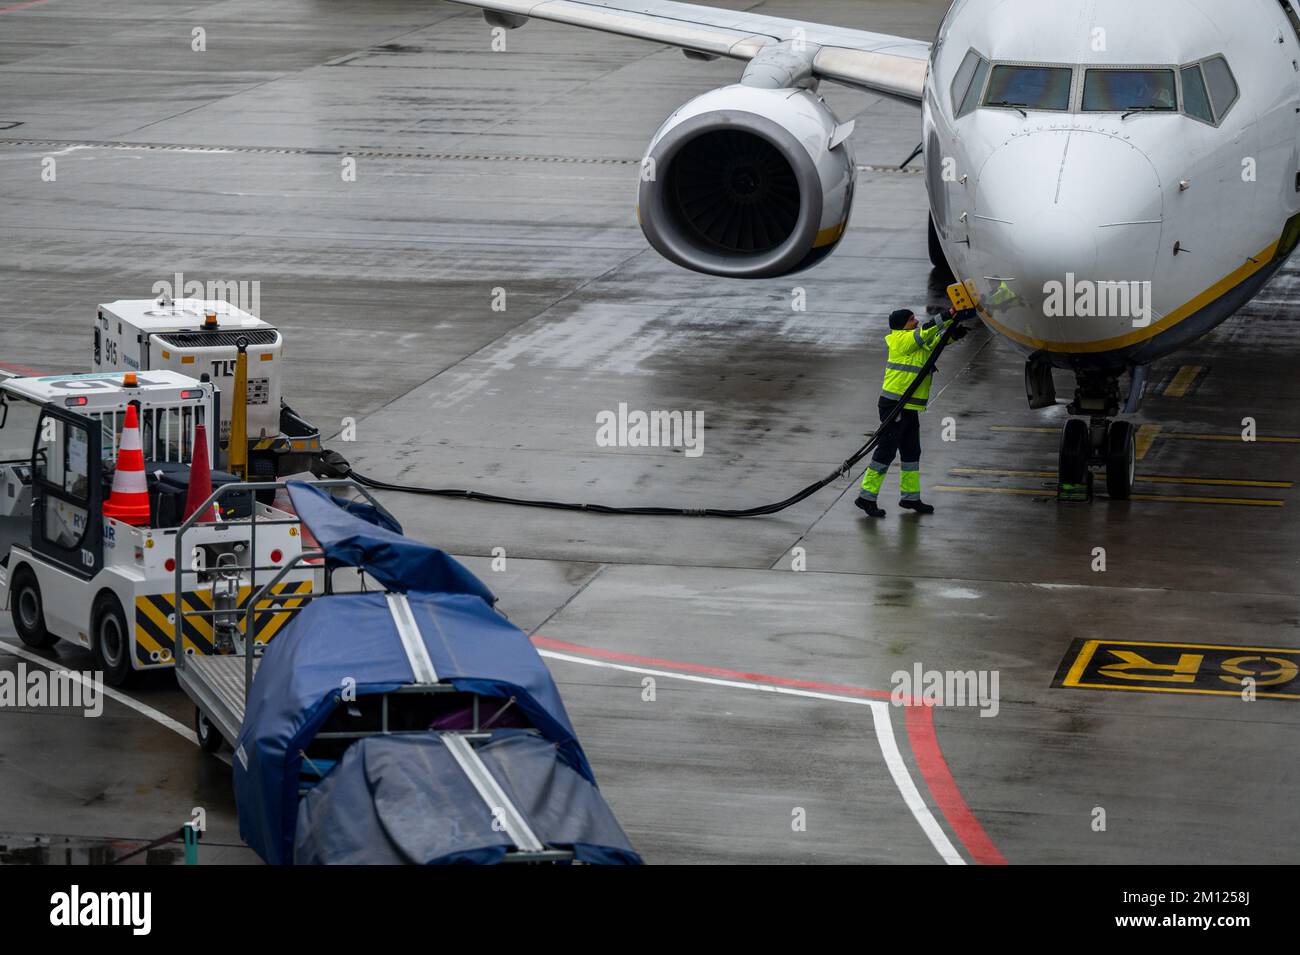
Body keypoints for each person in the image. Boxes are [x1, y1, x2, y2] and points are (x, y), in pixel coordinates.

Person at [856, 307, 965, 518]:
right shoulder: (900, 340)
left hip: (908, 407)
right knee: (886, 451)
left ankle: (910, 497)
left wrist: (953, 335)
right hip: (894, 405)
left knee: (911, 451)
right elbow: (926, 331)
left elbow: (933, 343)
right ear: (902, 325)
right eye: (911, 319)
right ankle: (866, 497)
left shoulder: (914, 342)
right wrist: (949, 313)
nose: (916, 321)